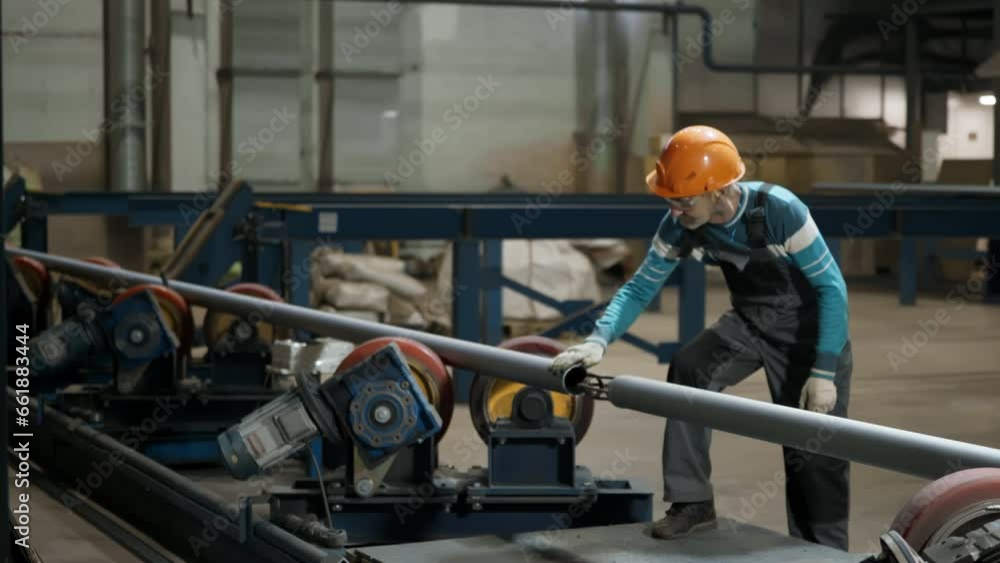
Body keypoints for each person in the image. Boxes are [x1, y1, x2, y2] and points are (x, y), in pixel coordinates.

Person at [550, 125, 852, 551]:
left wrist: (824, 371)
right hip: (749, 323)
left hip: (810, 331)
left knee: (814, 446)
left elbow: (832, 289)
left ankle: (826, 551)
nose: (676, 211)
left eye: (685, 200)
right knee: (690, 368)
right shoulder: (679, 225)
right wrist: (598, 340)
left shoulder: (780, 210)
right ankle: (692, 501)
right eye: (670, 201)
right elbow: (639, 288)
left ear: (720, 190)